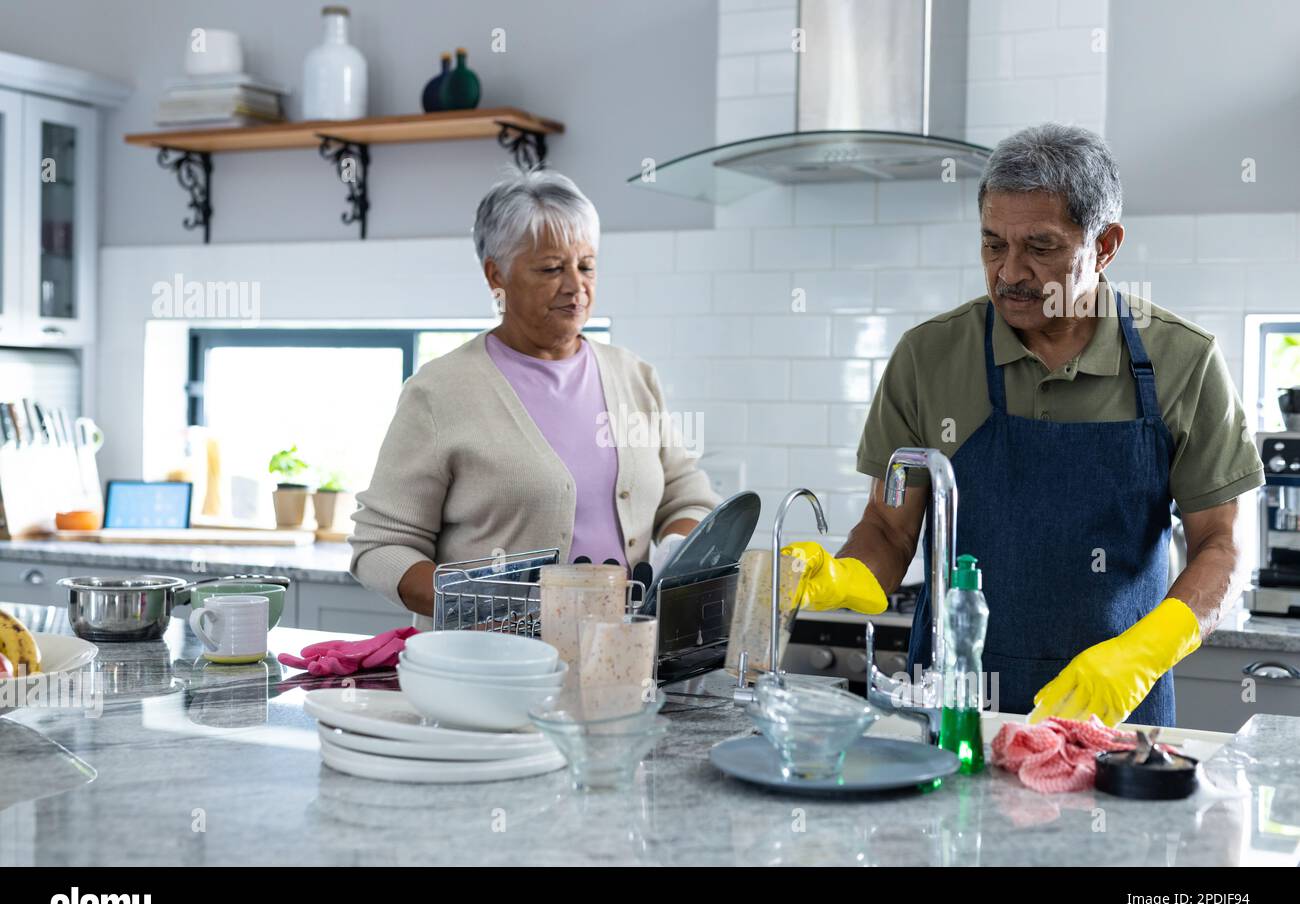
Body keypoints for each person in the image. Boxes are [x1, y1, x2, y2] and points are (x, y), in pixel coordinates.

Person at [787, 123, 1263, 727]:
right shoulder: (927, 358)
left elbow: (1222, 545)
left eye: (1041, 247)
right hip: (954, 709)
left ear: (1106, 244)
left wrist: (1145, 653)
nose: (1011, 271)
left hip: (1115, 715)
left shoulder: (1184, 362)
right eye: (992, 244)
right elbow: (888, 526)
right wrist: (847, 575)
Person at [350, 168, 718, 628]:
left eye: (586, 265)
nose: (575, 286)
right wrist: (483, 603)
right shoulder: (439, 391)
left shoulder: (634, 377)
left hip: (623, 666)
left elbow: (688, 500)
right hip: (488, 673)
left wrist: (674, 558)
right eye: (550, 269)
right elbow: (380, 547)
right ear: (495, 275)